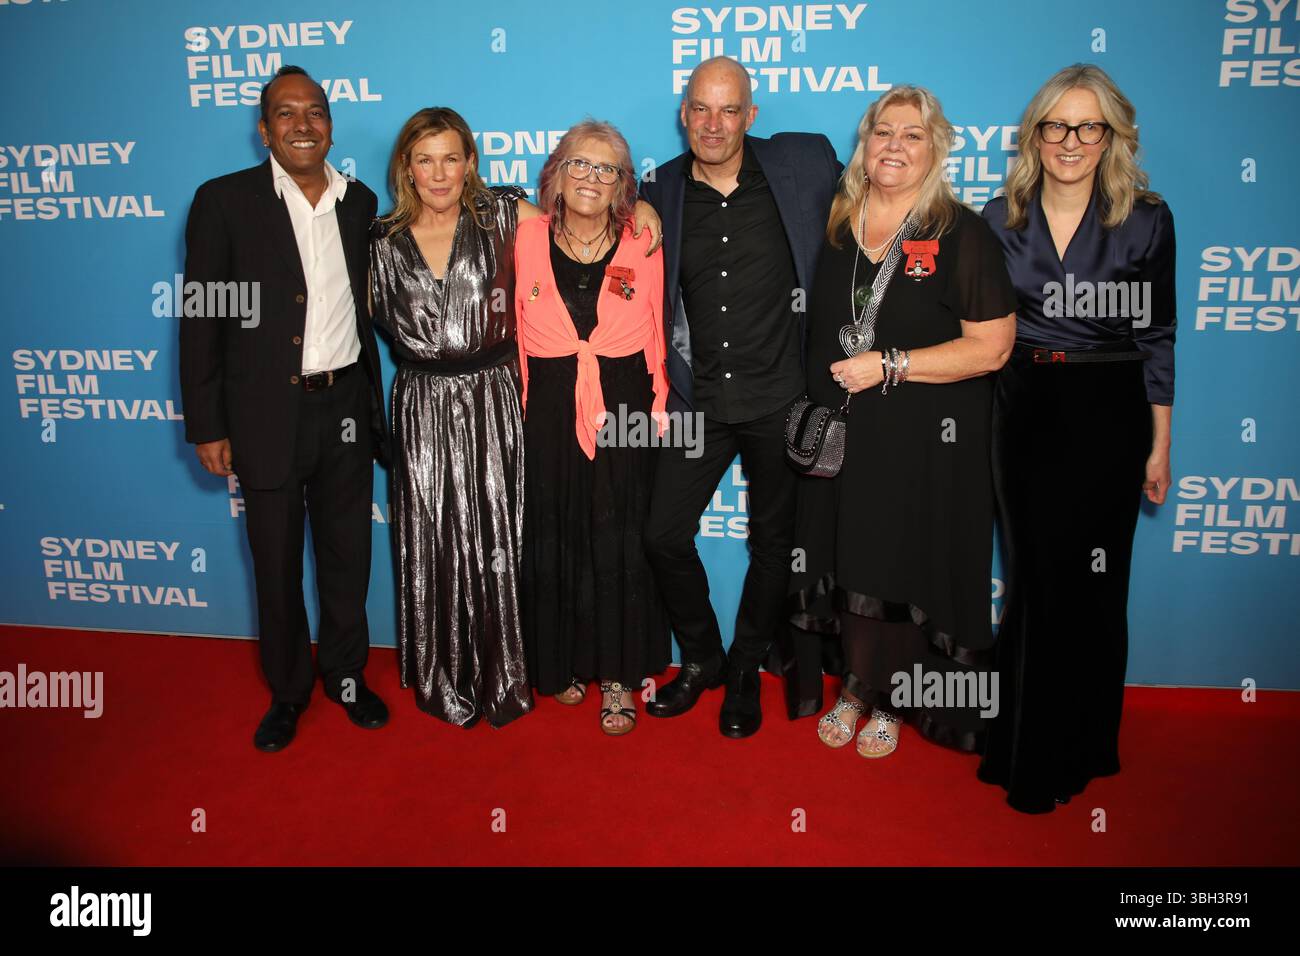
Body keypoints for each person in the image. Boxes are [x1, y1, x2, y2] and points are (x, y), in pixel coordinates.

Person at [370, 108, 663, 729]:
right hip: (457, 406)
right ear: (407, 169)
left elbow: (601, 217)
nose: (440, 171)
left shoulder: (506, 216)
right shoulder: (385, 241)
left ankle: (612, 674)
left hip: (526, 401)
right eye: (426, 158)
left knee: (586, 531)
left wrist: (643, 208)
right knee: (524, 533)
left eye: (452, 156)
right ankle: (537, 664)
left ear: (470, 162)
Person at [788, 85, 1017, 759]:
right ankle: (856, 688)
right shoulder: (838, 222)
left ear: (936, 149)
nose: (894, 145)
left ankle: (895, 699)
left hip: (927, 439)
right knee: (855, 563)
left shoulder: (959, 231)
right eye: (883, 131)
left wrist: (891, 365)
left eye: (912, 134)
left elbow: (992, 346)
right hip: (848, 436)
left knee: (906, 568)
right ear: (864, 144)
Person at [977, 64, 1176, 812]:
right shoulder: (1000, 218)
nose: (1070, 141)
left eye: (1088, 126)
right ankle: (1026, 751)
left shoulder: (1149, 218)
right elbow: (978, 330)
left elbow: (1159, 335)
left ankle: (1086, 744)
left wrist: (1159, 442)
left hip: (1110, 408)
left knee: (1095, 584)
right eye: (1056, 125)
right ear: (1036, 134)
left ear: (1111, 136)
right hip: (1023, 404)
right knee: (1035, 579)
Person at [180, 65, 390, 752]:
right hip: (264, 417)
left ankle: (348, 677)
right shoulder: (223, 202)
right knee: (273, 564)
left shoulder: (360, 203)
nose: (303, 124)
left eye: (316, 111)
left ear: (330, 124)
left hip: (346, 411)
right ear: (264, 128)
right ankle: (289, 691)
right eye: (286, 113)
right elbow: (202, 318)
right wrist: (206, 424)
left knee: (346, 555)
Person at [639, 56, 842, 738]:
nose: (714, 123)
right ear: (684, 114)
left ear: (751, 116)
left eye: (730, 110)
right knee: (662, 533)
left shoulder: (804, 164)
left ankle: (748, 666)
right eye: (702, 109)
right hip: (700, 401)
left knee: (773, 547)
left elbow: (884, 205)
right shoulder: (660, 189)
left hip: (781, 397)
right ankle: (704, 660)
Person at [514, 121, 671, 735]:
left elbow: (658, 327)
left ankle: (617, 677)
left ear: (623, 186)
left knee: (619, 534)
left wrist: (648, 207)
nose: (591, 178)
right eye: (579, 164)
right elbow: (463, 188)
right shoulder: (524, 235)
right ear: (556, 173)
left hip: (624, 402)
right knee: (557, 531)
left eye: (607, 170)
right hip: (549, 405)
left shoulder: (644, 239)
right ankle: (565, 661)